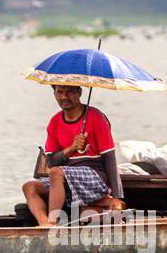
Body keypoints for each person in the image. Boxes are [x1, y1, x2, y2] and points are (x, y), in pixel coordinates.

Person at [22, 84, 123, 226]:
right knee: (29, 187)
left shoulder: (96, 118)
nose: (64, 97)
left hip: (95, 177)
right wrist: (72, 148)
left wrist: (117, 196)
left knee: (56, 173)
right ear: (54, 94)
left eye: (69, 92)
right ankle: (45, 224)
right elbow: (51, 162)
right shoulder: (55, 122)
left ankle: (53, 221)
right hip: (66, 179)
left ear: (79, 92)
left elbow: (110, 159)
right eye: (60, 92)